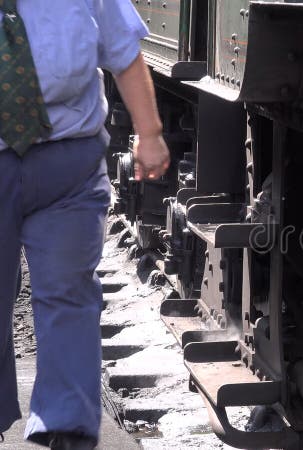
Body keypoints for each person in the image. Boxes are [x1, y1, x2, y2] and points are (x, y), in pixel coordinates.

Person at [0, 1, 169, 448]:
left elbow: (124, 52)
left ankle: (67, 429)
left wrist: (149, 133)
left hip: (67, 166)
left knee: (68, 291)